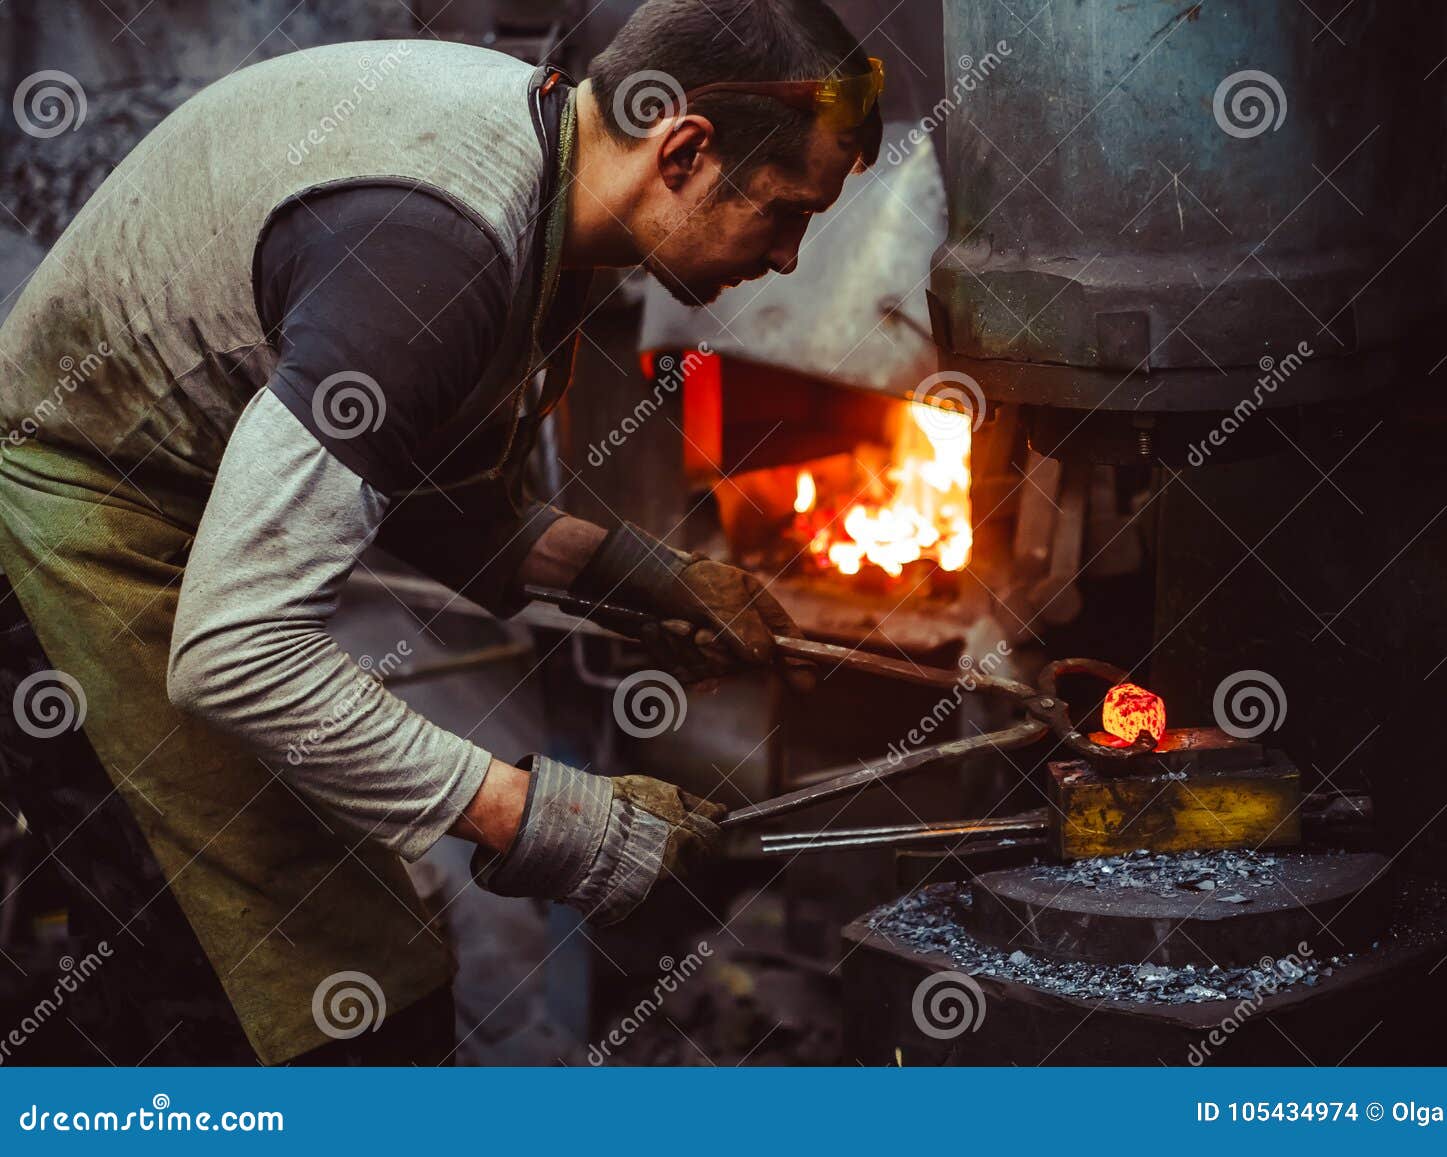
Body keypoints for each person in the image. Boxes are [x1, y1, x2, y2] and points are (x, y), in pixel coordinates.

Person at [0, 0, 882, 1064]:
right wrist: (547, 819)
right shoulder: (436, 251)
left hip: (175, 518)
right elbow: (237, 652)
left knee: (348, 975)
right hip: (66, 530)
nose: (790, 258)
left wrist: (634, 574)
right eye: (786, 212)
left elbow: (417, 479)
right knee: (271, 996)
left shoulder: (549, 169)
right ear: (686, 148)